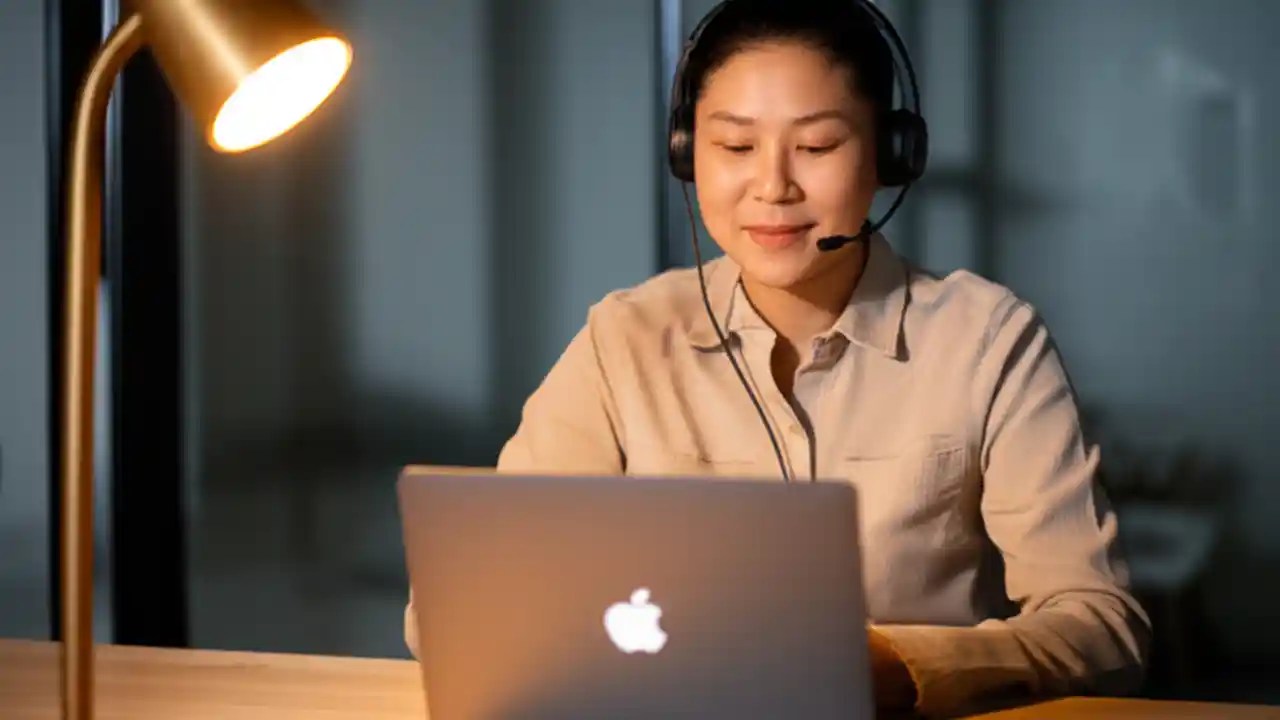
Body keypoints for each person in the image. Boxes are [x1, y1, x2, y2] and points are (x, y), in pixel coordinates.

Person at [406, 0, 1150, 716]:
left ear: (892, 155)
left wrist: (896, 669)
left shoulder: (989, 340)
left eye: (818, 147)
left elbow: (1101, 625)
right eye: (733, 147)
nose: (772, 187)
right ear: (685, 153)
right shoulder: (624, 340)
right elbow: (463, 608)